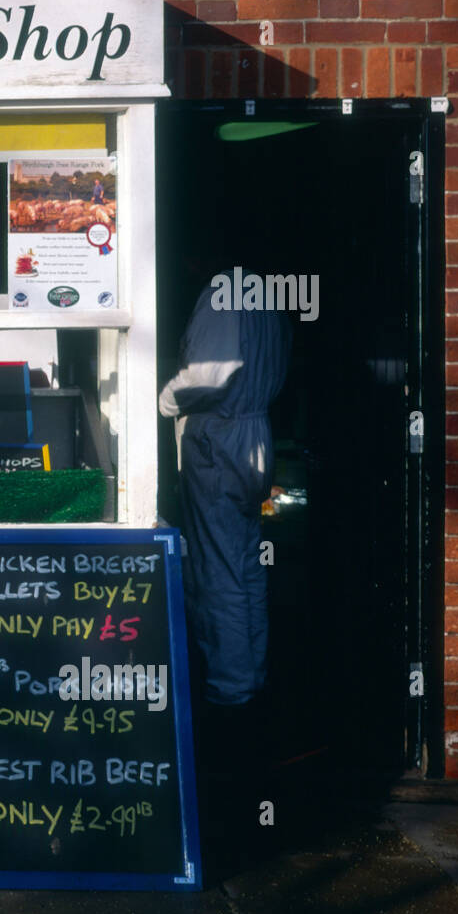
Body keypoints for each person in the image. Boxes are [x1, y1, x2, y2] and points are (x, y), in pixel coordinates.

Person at [159, 267, 291, 849]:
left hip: (219, 439)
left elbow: (206, 377)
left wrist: (160, 398)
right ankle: (252, 680)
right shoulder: (270, 295)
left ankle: (232, 693)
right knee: (242, 570)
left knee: (218, 575)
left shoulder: (223, 290)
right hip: (255, 435)